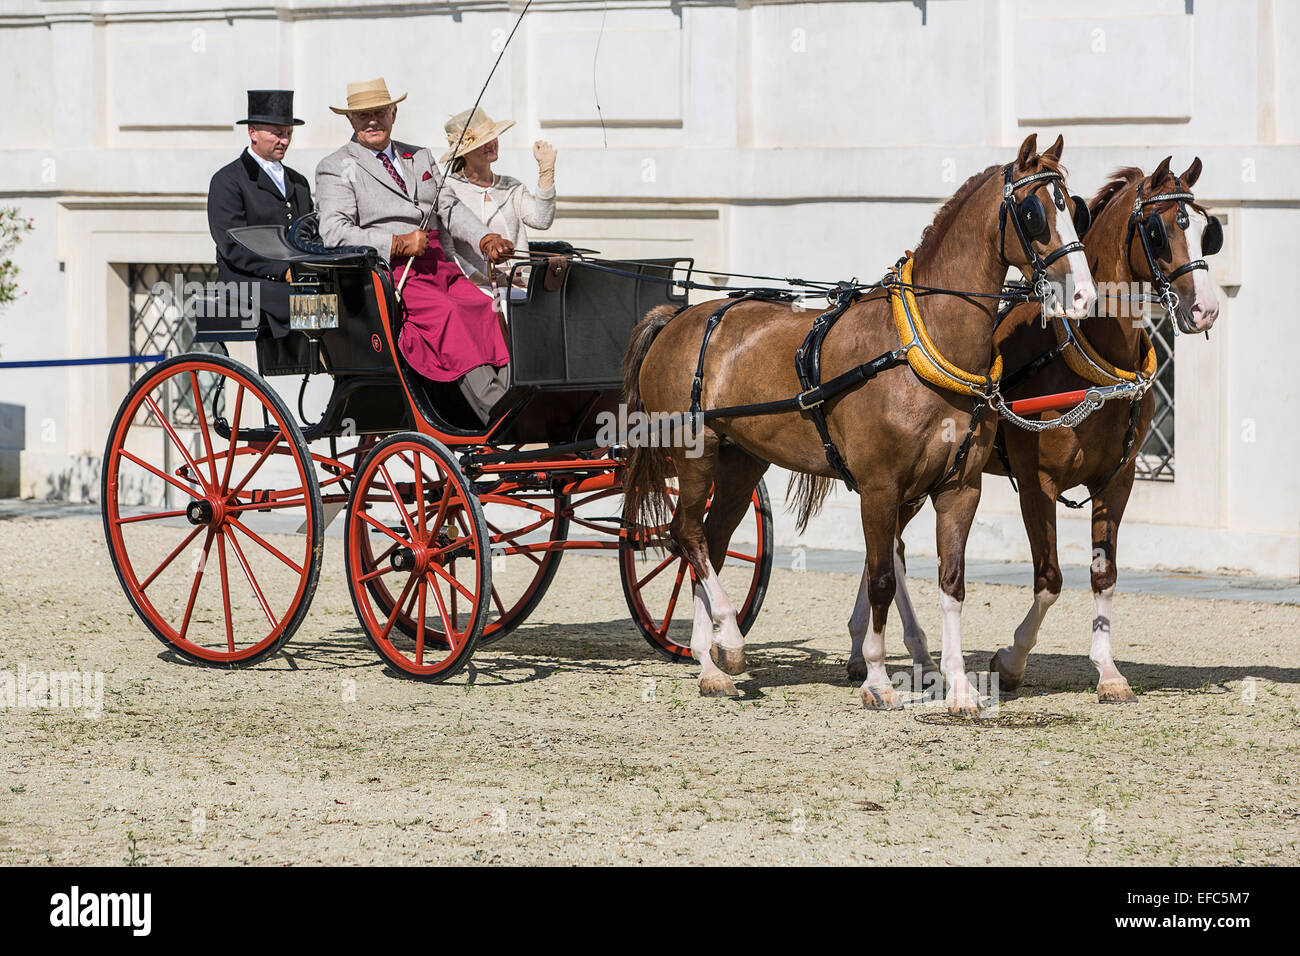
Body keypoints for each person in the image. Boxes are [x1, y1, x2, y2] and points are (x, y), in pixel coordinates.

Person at [315, 78, 515, 425]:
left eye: (379, 112)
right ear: (350, 121)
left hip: (440, 266)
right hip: (391, 275)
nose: (372, 121)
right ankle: (499, 414)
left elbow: (449, 208)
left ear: (393, 113)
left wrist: (485, 239)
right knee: (450, 313)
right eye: (363, 116)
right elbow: (333, 232)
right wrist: (395, 244)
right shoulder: (336, 166)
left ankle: (515, 400)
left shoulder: (418, 155)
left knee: (484, 308)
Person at [206, 90, 313, 337]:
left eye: (288, 133)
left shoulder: (298, 182)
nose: (284, 141)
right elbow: (232, 245)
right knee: (305, 304)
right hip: (245, 282)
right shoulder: (228, 180)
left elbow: (309, 233)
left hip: (293, 279)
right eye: (277, 133)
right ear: (252, 132)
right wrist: (281, 270)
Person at [441, 107, 556, 290]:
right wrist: (480, 282)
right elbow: (449, 251)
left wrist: (546, 171)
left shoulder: (511, 187)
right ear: (465, 151)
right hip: (474, 289)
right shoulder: (447, 190)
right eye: (482, 141)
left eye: (492, 136)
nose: (491, 143)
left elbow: (542, 220)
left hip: (519, 287)